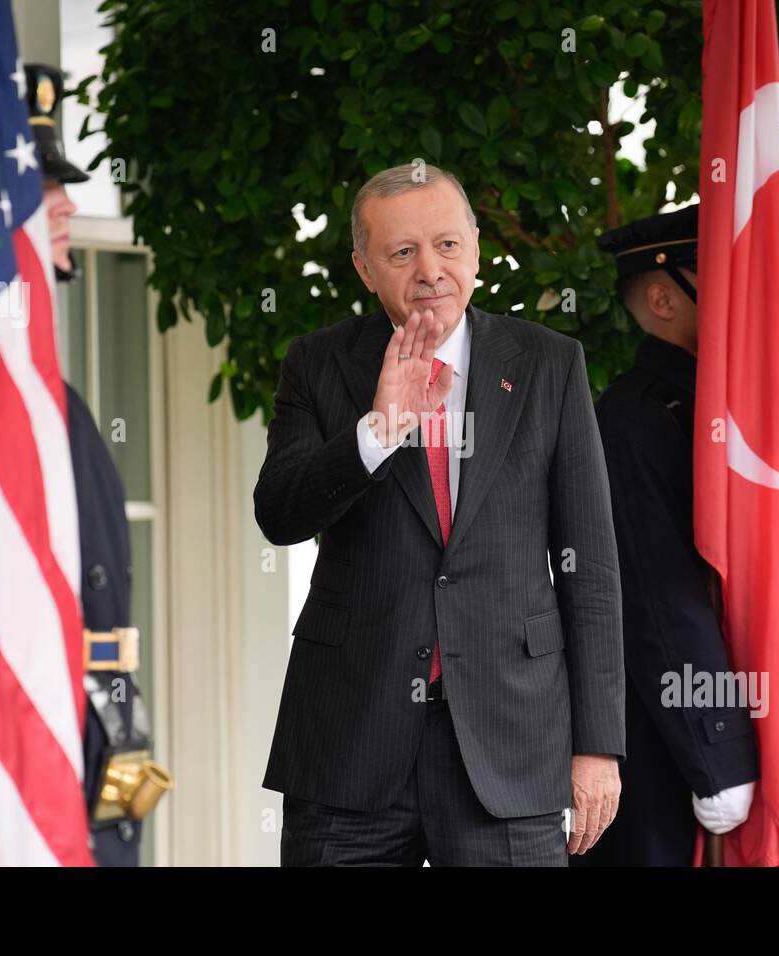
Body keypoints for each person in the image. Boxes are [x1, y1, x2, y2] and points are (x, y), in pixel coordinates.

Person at [253, 163, 625, 866]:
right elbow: (280, 514)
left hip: (511, 746)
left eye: (447, 245)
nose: (430, 270)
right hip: (349, 743)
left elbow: (592, 571)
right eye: (402, 253)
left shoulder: (550, 365)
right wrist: (378, 431)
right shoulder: (317, 364)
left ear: (478, 251)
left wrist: (598, 745)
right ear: (365, 269)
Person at [574, 205, 759, 867]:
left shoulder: (720, 410)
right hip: (657, 741)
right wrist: (719, 752)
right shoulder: (634, 420)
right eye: (722, 280)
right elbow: (656, 601)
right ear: (662, 297)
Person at [25, 63, 171, 867]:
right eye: (44, 188)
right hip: (36, 718)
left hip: (107, 713)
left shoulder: (62, 396)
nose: (71, 205)